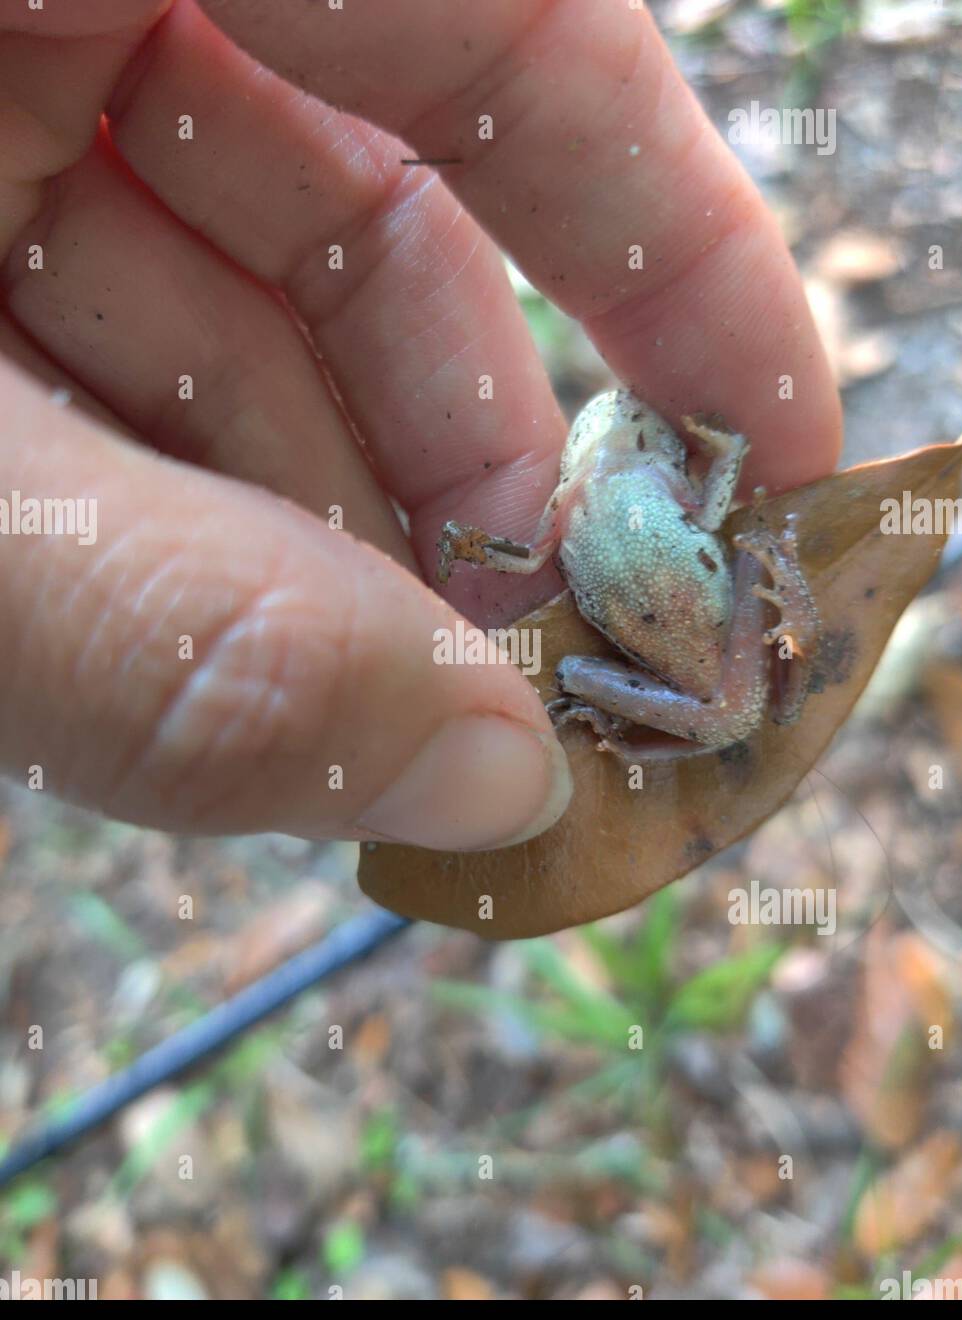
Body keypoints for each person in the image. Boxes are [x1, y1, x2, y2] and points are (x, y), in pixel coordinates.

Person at [0, 0, 840, 852]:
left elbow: (636, 511)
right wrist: (719, 468)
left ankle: (634, 719)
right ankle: (638, 716)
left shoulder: (591, 508)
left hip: (652, 618)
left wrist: (711, 460)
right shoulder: (647, 505)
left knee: (694, 699)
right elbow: (708, 487)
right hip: (659, 613)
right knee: (701, 696)